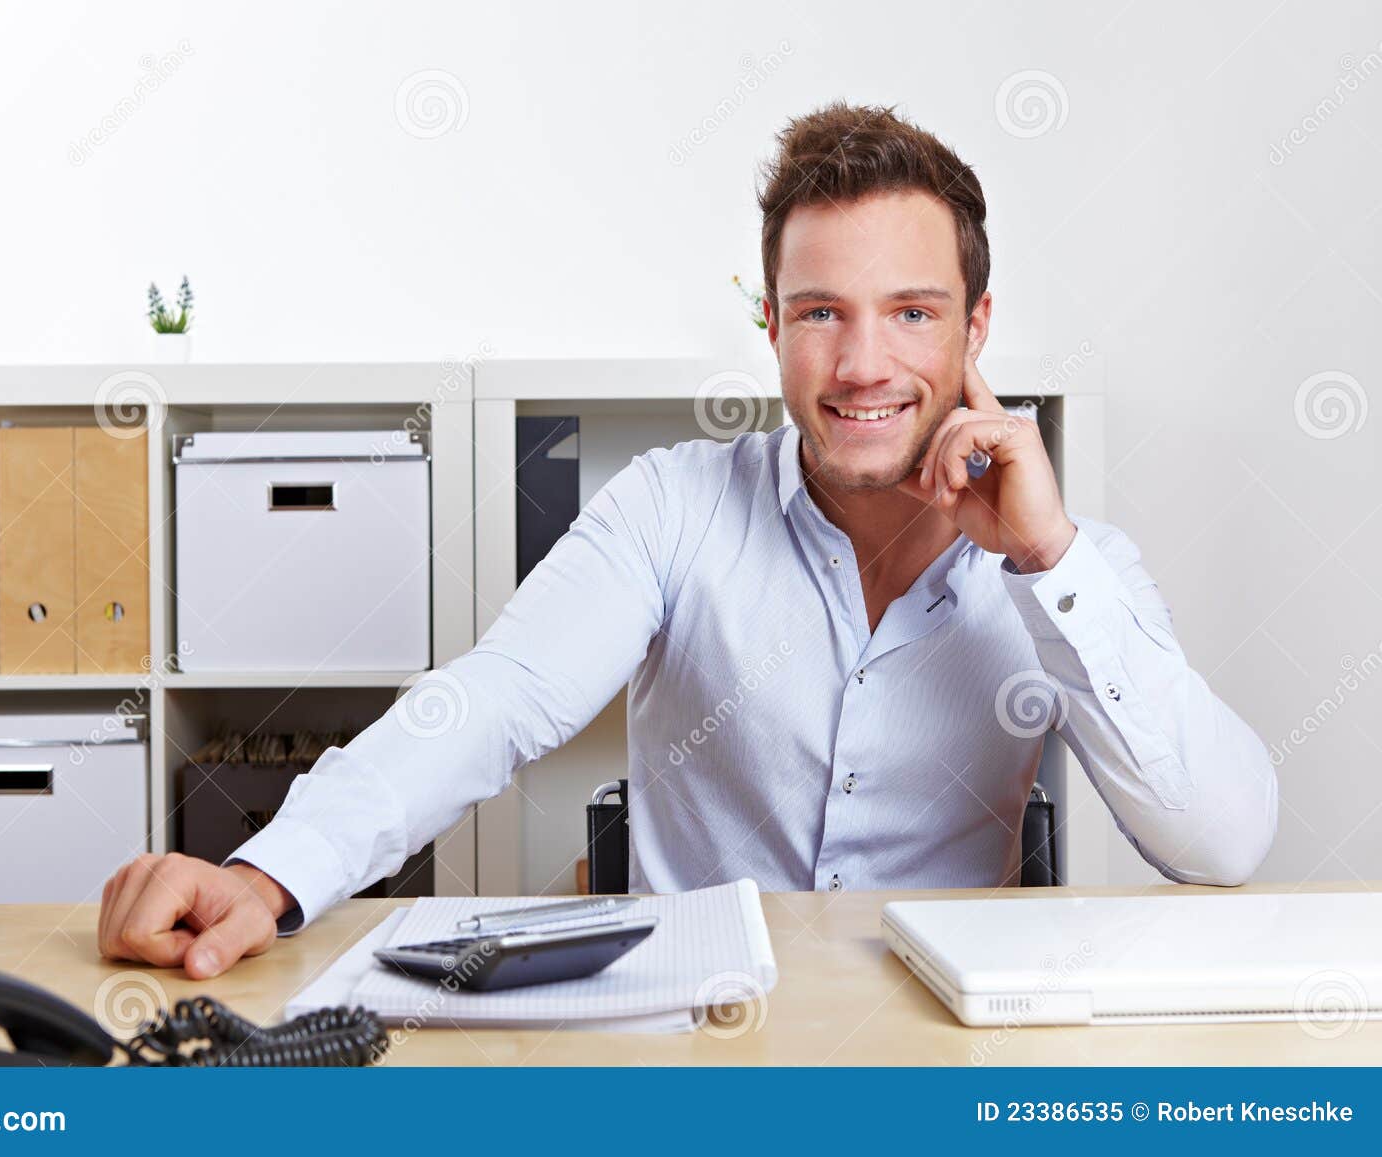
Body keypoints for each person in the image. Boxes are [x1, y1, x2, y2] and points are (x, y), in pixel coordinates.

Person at [98, 102, 1277, 980]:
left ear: (975, 328)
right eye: (821, 312)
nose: (863, 364)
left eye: (911, 313)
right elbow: (498, 699)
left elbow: (1220, 840)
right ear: (770, 326)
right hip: (696, 1034)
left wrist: (1047, 562)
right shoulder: (670, 506)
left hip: (937, 1045)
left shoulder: (1076, 561)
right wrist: (268, 868)